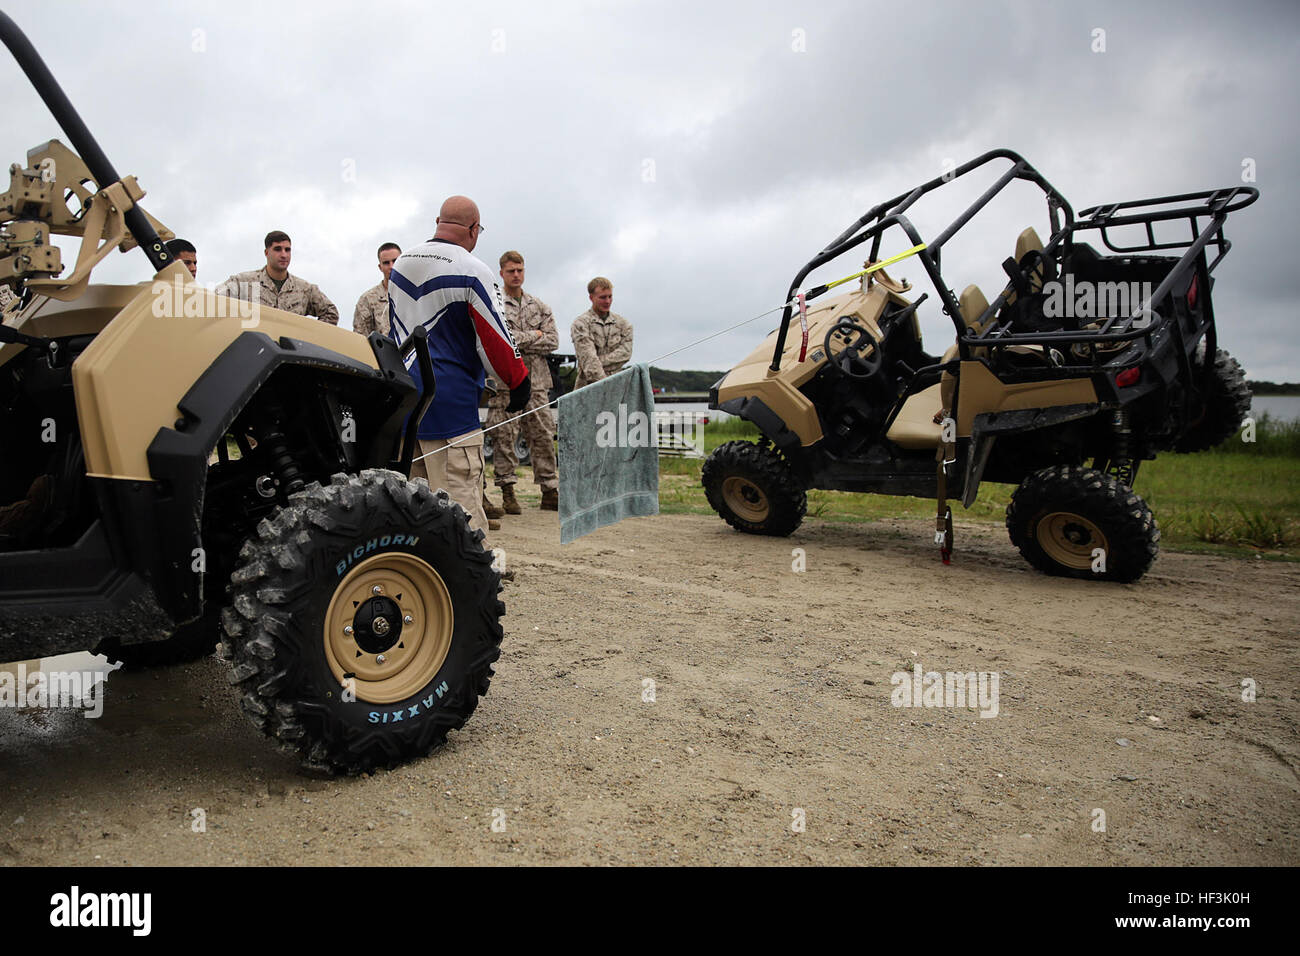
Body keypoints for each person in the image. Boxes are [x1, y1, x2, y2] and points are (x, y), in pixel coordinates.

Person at [388, 197, 529, 537]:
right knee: (460, 505)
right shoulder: (473, 269)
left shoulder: (402, 264)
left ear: (438, 221)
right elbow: (495, 339)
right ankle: (472, 581)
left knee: (414, 507)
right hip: (451, 404)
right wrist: (518, 381)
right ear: (473, 229)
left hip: (405, 399)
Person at [484, 250, 559, 513]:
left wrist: (522, 338)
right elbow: (503, 339)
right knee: (504, 436)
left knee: (543, 436)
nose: (516, 275)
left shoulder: (539, 306)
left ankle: (549, 490)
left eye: (520, 270)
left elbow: (553, 341)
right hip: (505, 382)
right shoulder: (494, 304)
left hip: (536, 382)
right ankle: (508, 491)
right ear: (502, 272)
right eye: (511, 271)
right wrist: (534, 335)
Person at [215, 230, 339, 323]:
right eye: (278, 249)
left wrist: (308, 339)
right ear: (266, 252)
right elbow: (213, 302)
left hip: (291, 355)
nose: (284, 255)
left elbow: (331, 313)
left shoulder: (304, 289)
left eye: (287, 250)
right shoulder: (244, 283)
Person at [571, 276, 633, 388]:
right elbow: (588, 360)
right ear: (591, 297)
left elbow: (626, 353)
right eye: (603, 297)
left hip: (619, 385)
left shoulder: (623, 324)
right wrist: (607, 386)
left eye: (610, 296)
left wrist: (598, 361)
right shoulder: (581, 324)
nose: (607, 301)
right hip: (588, 388)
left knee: (623, 407)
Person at [353, 242, 400, 336]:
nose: (391, 266)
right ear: (380, 267)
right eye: (386, 263)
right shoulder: (367, 299)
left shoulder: (416, 292)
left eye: (395, 261)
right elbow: (361, 338)